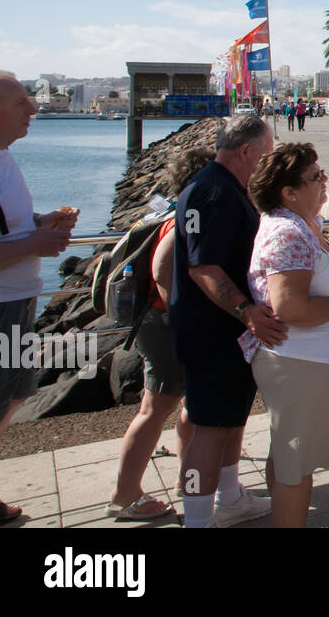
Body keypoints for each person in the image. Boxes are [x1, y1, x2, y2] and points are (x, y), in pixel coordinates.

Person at [170, 113, 281, 528]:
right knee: (209, 431)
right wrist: (246, 312)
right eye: (266, 156)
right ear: (246, 151)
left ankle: (230, 496)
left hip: (226, 333)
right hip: (212, 333)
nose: (268, 165)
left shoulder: (221, 188)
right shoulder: (213, 193)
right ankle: (197, 519)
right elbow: (205, 268)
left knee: (230, 420)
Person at [244, 144, 329, 527]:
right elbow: (290, 308)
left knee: (287, 455)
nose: (324, 178)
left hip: (307, 361)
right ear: (289, 192)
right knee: (298, 465)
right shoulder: (286, 232)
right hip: (298, 362)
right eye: (315, 176)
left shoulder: (302, 223)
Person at [106, 147, 211, 521]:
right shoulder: (183, 215)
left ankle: (190, 477)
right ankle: (125, 494)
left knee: (186, 406)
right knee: (155, 410)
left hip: (157, 320)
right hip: (164, 323)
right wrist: (182, 316)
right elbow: (165, 265)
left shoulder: (173, 208)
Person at [0, 72, 77, 525]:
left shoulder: (4, 158)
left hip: (18, 300)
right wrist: (33, 246)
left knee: (15, 395)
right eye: (21, 102)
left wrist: (41, 223)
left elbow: (6, 227)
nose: (33, 109)